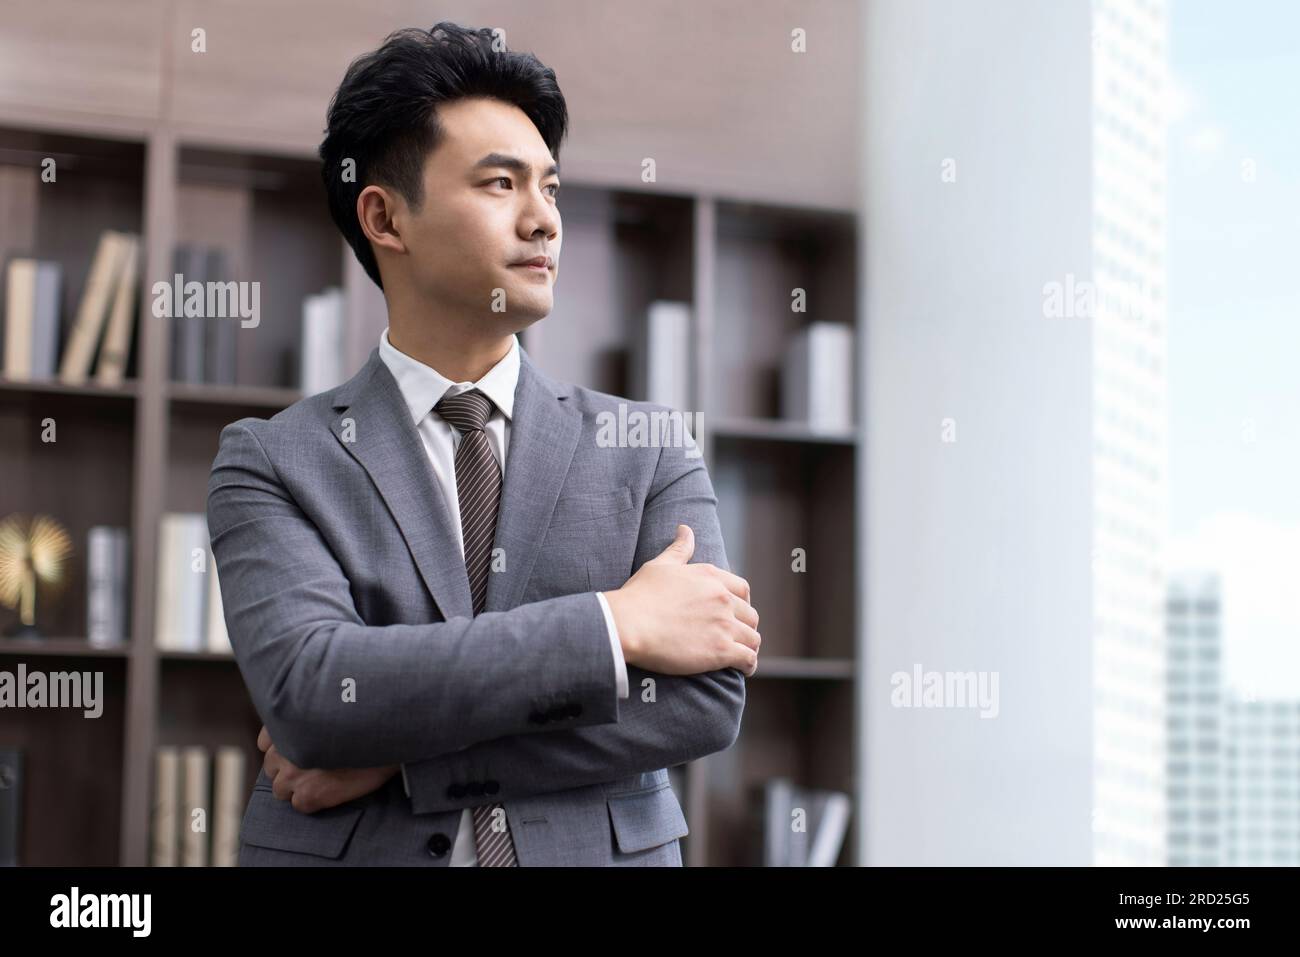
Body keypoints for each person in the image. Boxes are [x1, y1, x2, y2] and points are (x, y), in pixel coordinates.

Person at [207, 21, 760, 867]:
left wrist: (404, 753)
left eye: (551, 187)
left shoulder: (646, 444)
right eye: (501, 184)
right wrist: (618, 623)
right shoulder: (273, 461)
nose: (544, 221)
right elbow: (315, 694)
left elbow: (701, 704)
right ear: (384, 216)